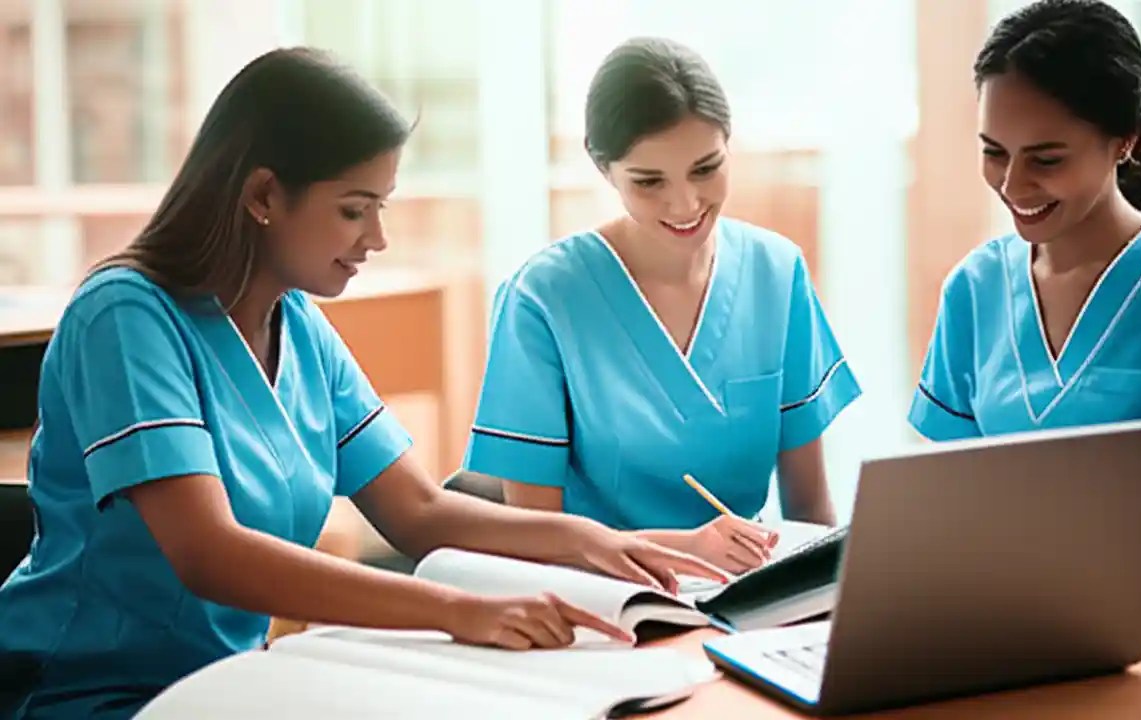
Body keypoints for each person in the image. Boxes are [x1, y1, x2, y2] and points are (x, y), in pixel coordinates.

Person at [0, 47, 724, 720]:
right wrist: (452, 609)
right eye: (354, 209)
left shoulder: (298, 325)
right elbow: (209, 553)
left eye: (382, 206)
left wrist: (588, 540)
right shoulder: (125, 318)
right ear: (262, 195)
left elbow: (418, 512)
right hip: (83, 694)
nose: (376, 238)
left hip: (225, 686)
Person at [910, 0, 1141, 627]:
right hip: (1017, 614)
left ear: (1123, 140)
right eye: (995, 152)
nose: (1013, 185)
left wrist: (1091, 530)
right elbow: (950, 496)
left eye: (1046, 159)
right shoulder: (974, 289)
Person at [462, 37, 861, 575]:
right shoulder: (543, 298)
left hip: (747, 601)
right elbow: (538, 540)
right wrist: (689, 549)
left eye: (706, 168)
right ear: (604, 170)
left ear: (729, 144)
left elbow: (809, 513)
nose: (685, 205)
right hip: (600, 607)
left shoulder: (777, 272)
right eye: (649, 182)